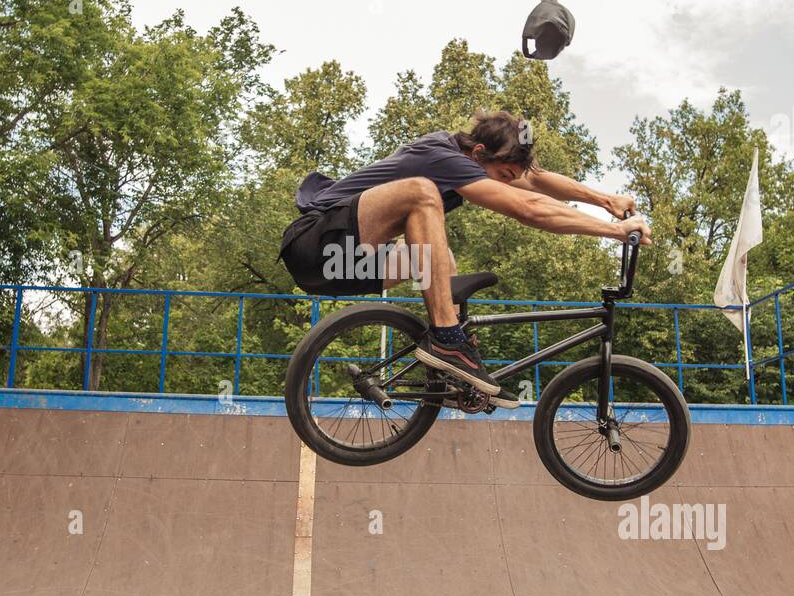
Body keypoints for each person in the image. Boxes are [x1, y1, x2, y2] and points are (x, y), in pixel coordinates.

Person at [278, 110, 650, 402]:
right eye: (502, 175)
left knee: (442, 261)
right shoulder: (440, 156)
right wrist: (615, 230)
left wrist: (606, 200)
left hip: (346, 266)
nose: (504, 185)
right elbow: (528, 208)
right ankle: (447, 338)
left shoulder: (472, 158)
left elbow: (535, 181)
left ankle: (456, 377)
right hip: (315, 245)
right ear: (477, 154)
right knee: (422, 193)